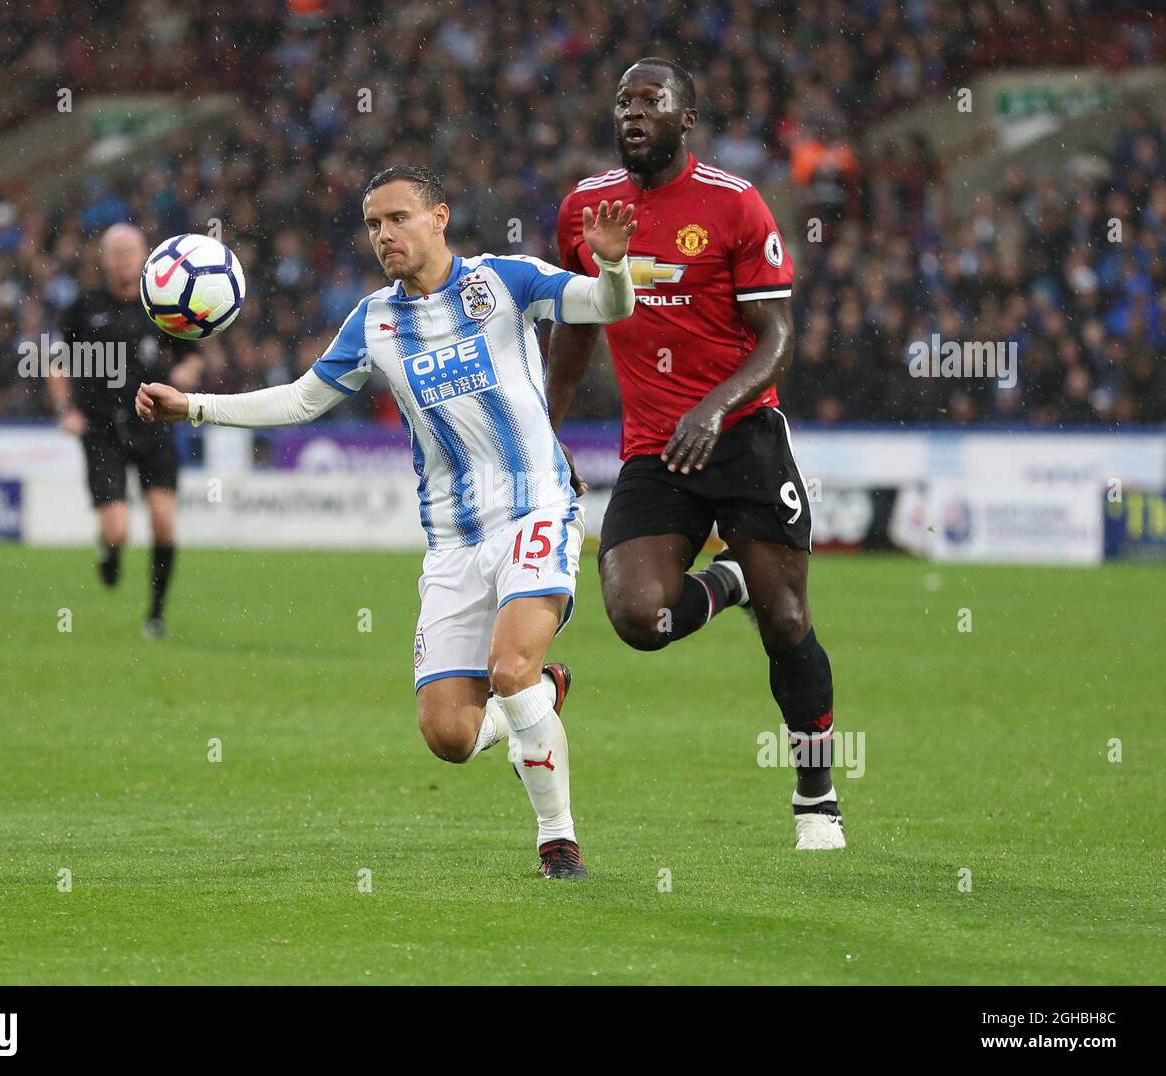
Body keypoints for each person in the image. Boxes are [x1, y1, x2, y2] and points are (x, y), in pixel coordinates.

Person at [136, 165, 637, 877]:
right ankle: (538, 698)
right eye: (373, 224)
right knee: (450, 736)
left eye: (397, 218)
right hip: (453, 542)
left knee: (509, 665)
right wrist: (196, 407)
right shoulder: (374, 321)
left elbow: (608, 308)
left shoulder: (506, 281)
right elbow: (303, 400)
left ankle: (558, 840)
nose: (383, 235)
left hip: (536, 509)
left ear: (439, 217)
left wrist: (613, 264)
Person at [548, 59, 844, 850]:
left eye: (653, 101)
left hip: (742, 434)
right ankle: (728, 581)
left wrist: (714, 408)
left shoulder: (733, 203)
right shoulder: (586, 206)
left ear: (688, 118)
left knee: (786, 622)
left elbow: (778, 337)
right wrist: (544, 433)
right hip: (654, 447)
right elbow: (573, 330)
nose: (634, 112)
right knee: (637, 617)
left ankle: (815, 790)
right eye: (623, 101)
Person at [49, 223, 202, 638]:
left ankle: (155, 615)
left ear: (144, 255)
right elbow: (58, 362)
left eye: (130, 250)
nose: (123, 258)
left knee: (163, 522)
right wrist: (66, 409)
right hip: (102, 430)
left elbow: (192, 357)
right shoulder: (84, 307)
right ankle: (110, 552)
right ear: (103, 258)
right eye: (115, 251)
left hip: (153, 425)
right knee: (118, 528)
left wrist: (186, 373)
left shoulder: (164, 305)